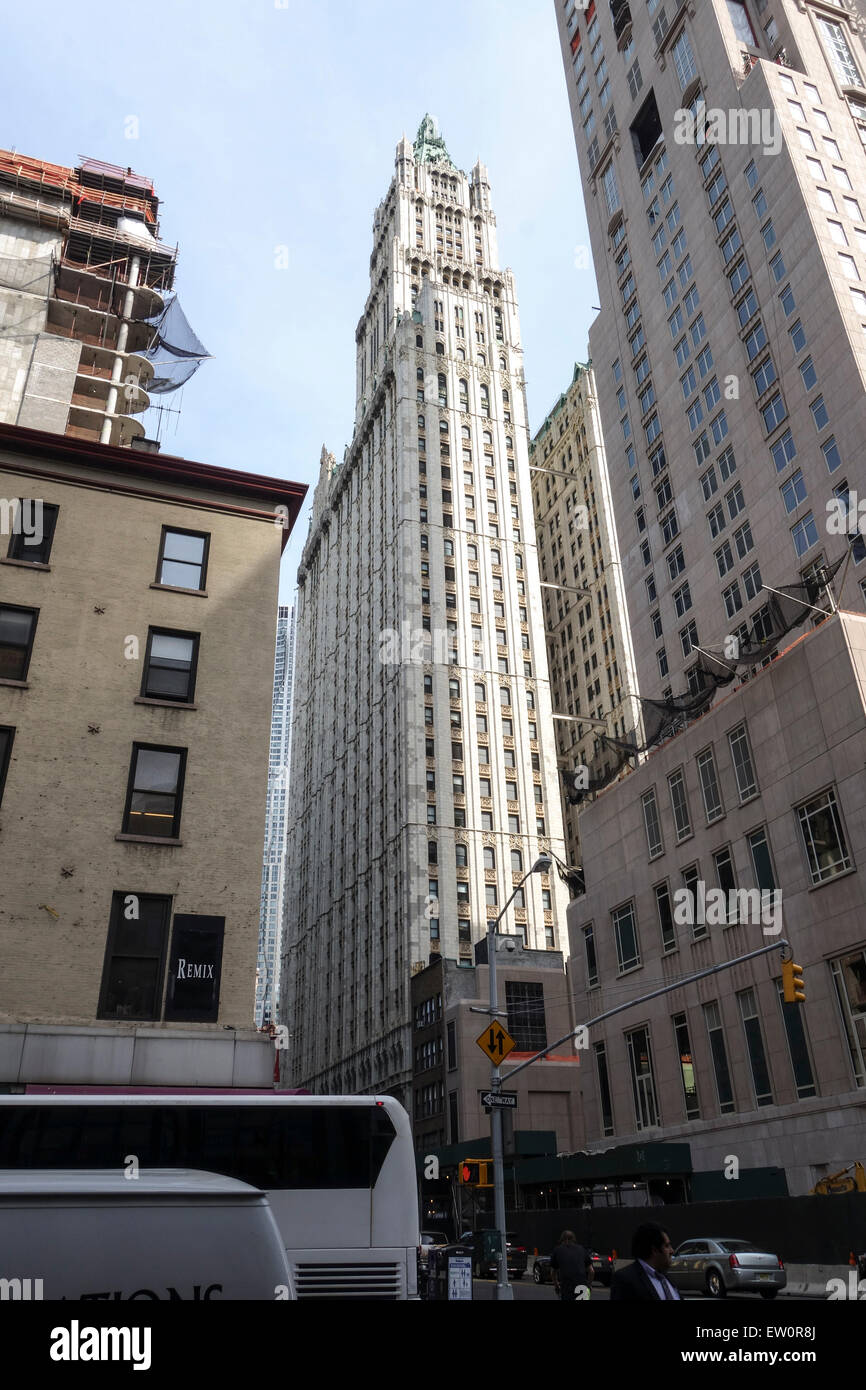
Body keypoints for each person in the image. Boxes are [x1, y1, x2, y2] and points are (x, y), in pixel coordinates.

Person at [610, 1223, 681, 1301]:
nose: (672, 1251)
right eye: (667, 1246)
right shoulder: (625, 1280)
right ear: (655, 1250)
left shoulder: (667, 1279)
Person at [550, 1230, 592, 1301]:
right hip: (582, 1285)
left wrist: (556, 1285)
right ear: (573, 1239)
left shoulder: (557, 1250)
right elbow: (591, 1271)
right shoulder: (582, 1249)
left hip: (567, 1286)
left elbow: (553, 1272)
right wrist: (588, 1285)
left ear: (563, 1239)